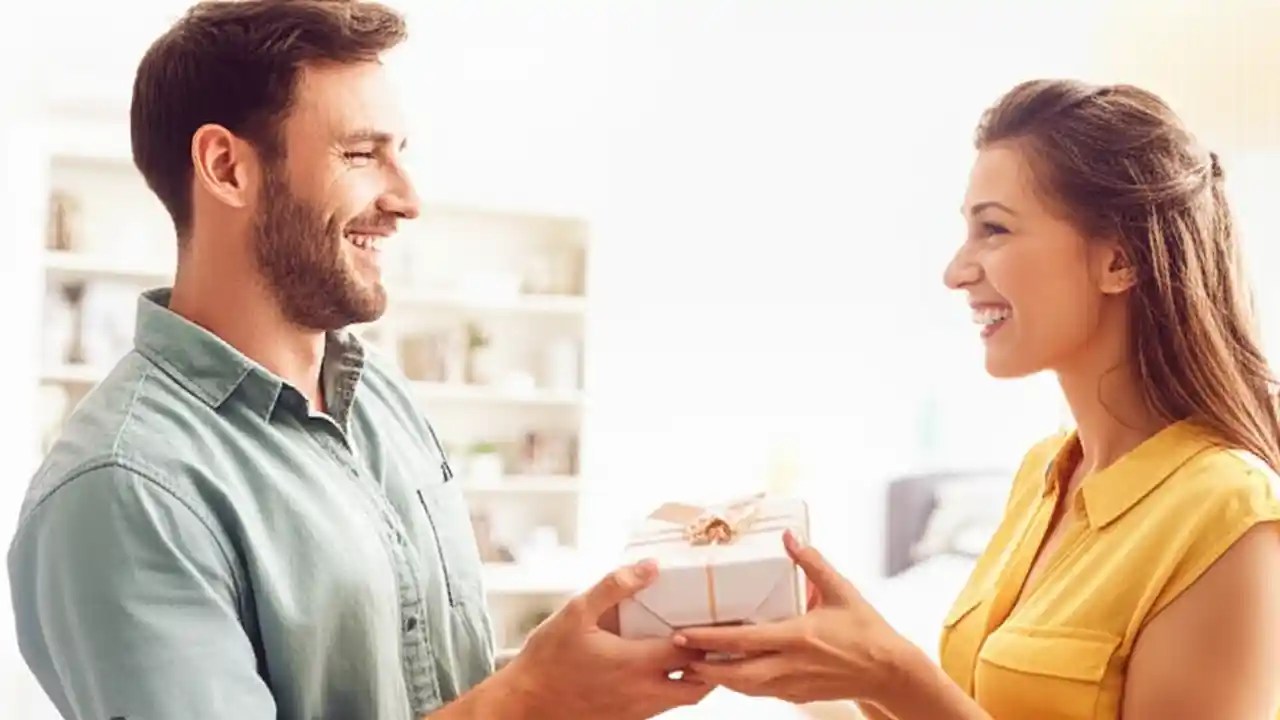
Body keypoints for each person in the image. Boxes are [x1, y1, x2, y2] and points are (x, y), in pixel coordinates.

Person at [6, 2, 710, 719]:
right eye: (362, 154)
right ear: (226, 167)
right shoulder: (124, 490)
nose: (407, 199)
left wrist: (580, 669)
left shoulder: (381, 399)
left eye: (401, 153)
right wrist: (531, 699)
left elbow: (432, 689)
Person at [672, 78, 1280, 719]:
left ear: (1120, 260)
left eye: (993, 229)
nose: (957, 271)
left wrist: (894, 674)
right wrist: (845, 679)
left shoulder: (1230, 515)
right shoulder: (1046, 474)